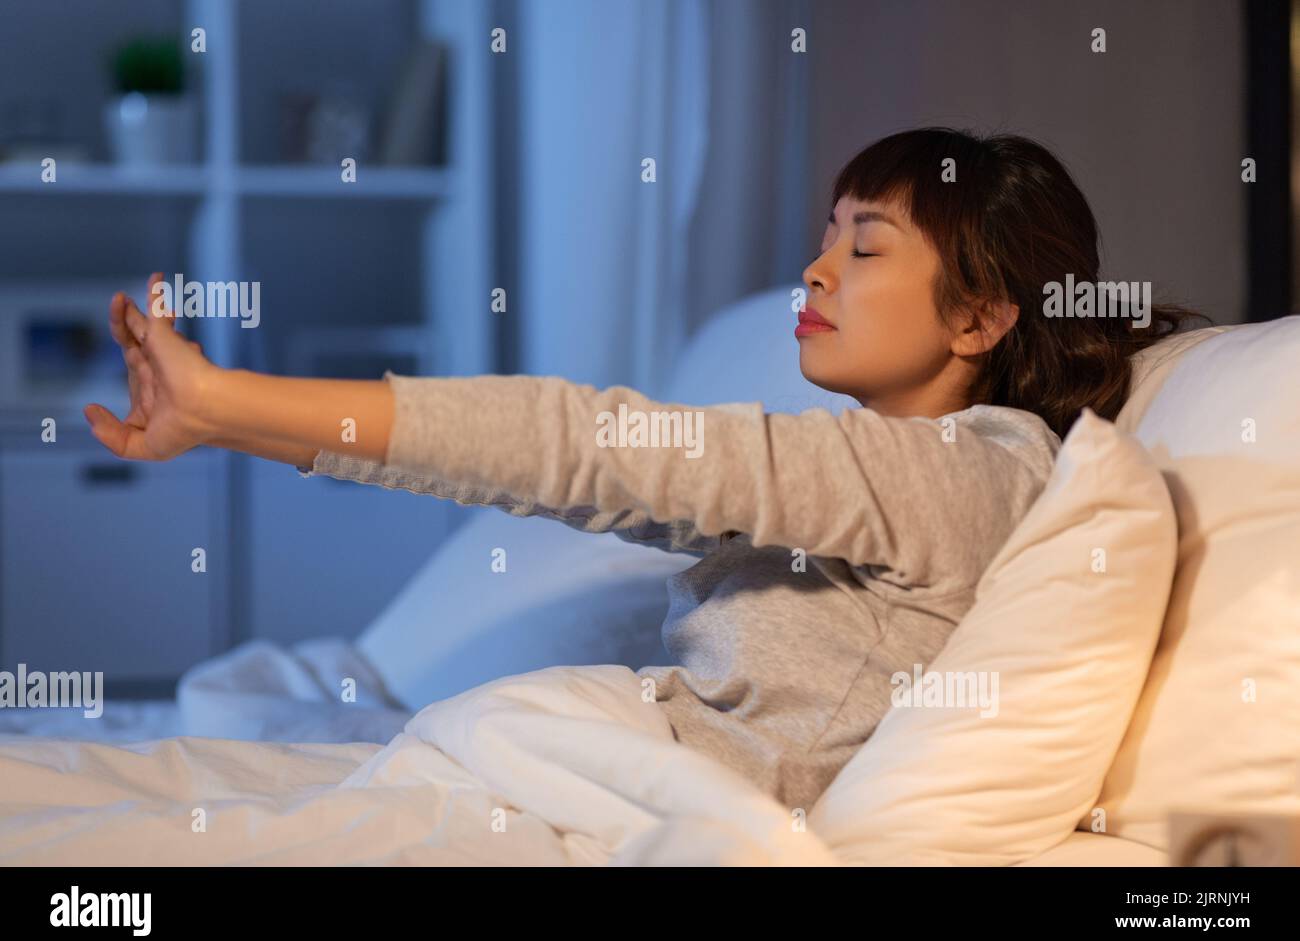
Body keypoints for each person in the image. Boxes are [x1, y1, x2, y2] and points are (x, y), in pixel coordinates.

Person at [84, 127, 1205, 812]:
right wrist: (219, 422)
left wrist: (228, 396)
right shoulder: (873, 473)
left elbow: (590, 441)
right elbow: (562, 477)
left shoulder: (965, 474)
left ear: (979, 317)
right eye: (827, 235)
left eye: (864, 247)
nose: (814, 269)